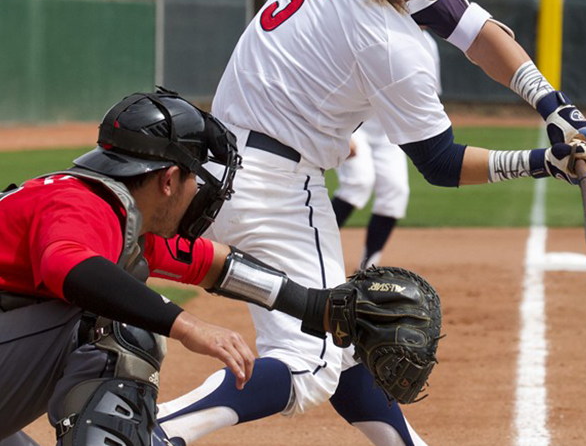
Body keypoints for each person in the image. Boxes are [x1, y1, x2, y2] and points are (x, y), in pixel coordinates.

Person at [155, 0, 586, 446]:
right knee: (307, 367)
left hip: (214, 160)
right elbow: (439, 162)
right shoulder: (391, 45)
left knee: (336, 333)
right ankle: (153, 431)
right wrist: (541, 162)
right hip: (274, 186)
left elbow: (474, 30)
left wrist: (550, 101)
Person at [0, 90, 371, 446]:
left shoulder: (118, 215)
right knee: (115, 322)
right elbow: (72, 270)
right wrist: (189, 327)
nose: (200, 190)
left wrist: (315, 307)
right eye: (195, 177)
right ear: (168, 179)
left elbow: (214, 266)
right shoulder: (80, 204)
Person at [331, 30, 440, 270]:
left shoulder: (427, 45)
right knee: (358, 182)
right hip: (352, 123)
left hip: (389, 131)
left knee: (395, 192)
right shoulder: (371, 31)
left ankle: (368, 267)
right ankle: (310, 244)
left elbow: (427, 97)